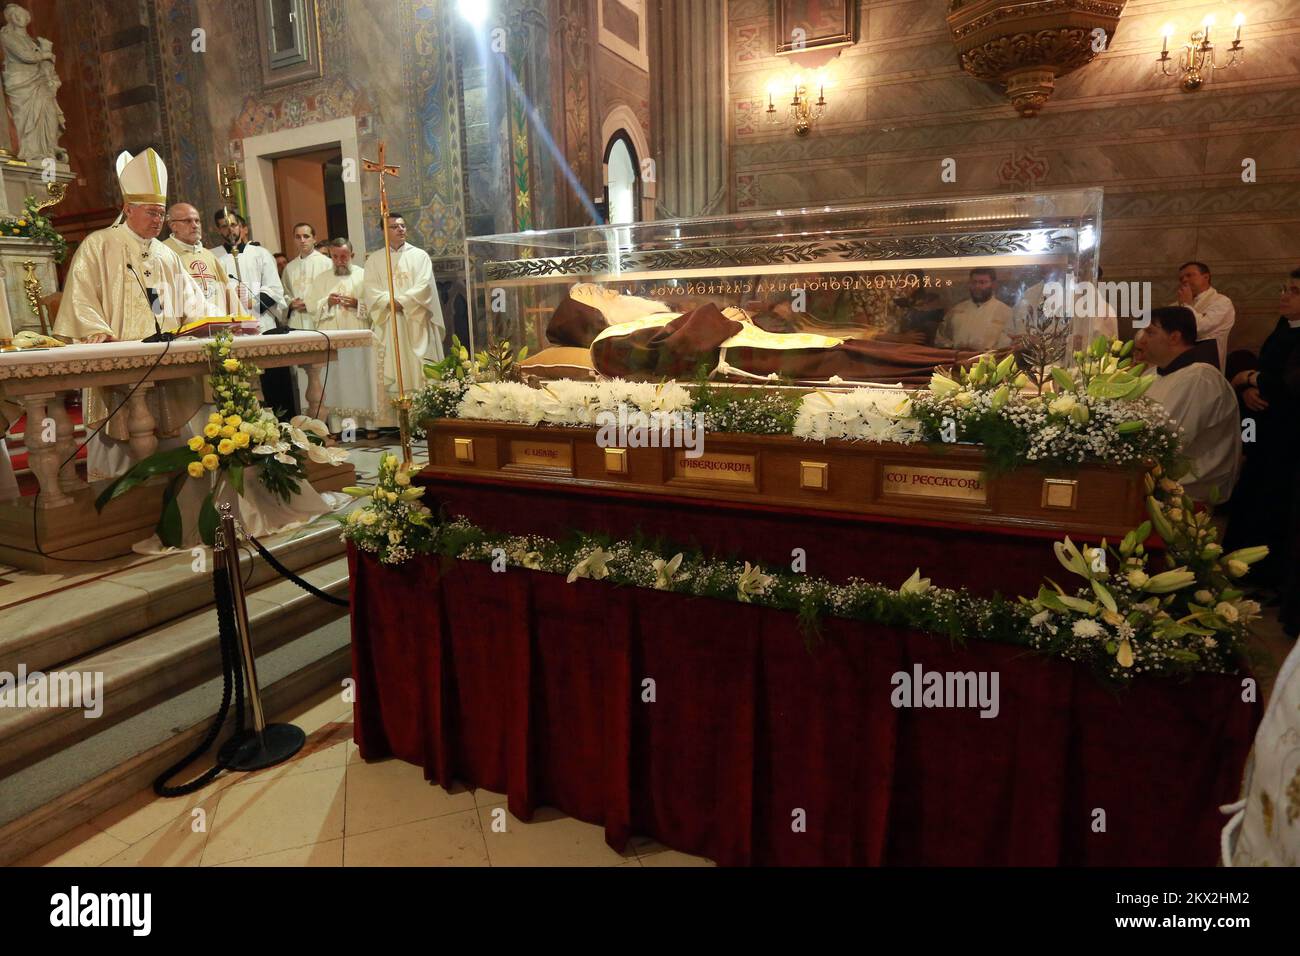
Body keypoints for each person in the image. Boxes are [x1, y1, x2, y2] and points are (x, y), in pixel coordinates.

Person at [53, 148, 206, 479]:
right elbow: (80, 297)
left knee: (173, 455)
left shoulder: (166, 254)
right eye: (151, 213)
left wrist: (203, 324)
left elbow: (191, 302)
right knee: (120, 456)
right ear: (128, 209)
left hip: (165, 361)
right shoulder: (100, 244)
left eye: (161, 214)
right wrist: (95, 329)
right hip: (118, 363)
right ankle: (122, 512)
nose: (157, 221)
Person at [1225, 268, 1300, 601]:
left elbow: (1287, 382)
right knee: (1250, 492)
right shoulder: (1284, 328)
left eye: (1295, 291)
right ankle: (1236, 565)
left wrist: (1250, 378)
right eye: (1285, 289)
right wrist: (1245, 390)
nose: (1285, 296)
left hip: (1288, 436)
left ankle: (1268, 575)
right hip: (1260, 429)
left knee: (1274, 503)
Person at [1139, 306, 1240, 503]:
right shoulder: (1151, 375)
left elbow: (1170, 441)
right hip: (1157, 478)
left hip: (1192, 489)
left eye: (1150, 332)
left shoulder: (1201, 378)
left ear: (1174, 337)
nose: (1142, 340)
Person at [362, 213, 444, 427]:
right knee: (393, 369)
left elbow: (424, 286)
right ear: (383, 232)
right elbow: (370, 289)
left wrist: (403, 302)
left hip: (415, 321)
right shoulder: (374, 259)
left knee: (419, 368)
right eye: (393, 227)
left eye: (402, 225)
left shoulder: (420, 256)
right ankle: (396, 423)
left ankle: (425, 420)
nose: (400, 230)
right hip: (390, 321)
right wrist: (391, 303)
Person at [304, 238, 377, 435]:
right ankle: (343, 431)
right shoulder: (322, 279)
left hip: (358, 337)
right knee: (336, 382)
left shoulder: (364, 276)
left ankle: (368, 426)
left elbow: (376, 306)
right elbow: (311, 307)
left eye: (343, 256)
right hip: (333, 337)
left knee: (361, 379)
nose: (339, 260)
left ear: (352, 255)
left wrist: (357, 304)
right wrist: (326, 302)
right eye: (335, 256)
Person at [163, 202, 230, 317]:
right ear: (173, 226)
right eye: (187, 221)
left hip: (219, 326)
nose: (195, 225)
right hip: (185, 328)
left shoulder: (209, 256)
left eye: (197, 221)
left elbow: (228, 293)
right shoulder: (164, 253)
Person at [935, 268, 1015, 351]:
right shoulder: (956, 310)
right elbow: (941, 338)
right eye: (974, 282)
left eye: (982, 282)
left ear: (993, 284)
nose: (977, 286)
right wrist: (954, 349)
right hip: (956, 359)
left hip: (990, 361)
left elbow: (1007, 345)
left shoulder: (1006, 313)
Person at [1175, 261, 1234, 369]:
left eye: (1189, 275)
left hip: (1205, 364)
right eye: (1181, 278)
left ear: (1206, 277)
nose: (1184, 280)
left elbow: (1200, 329)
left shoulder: (1222, 302)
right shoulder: (1177, 304)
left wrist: (1186, 304)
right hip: (1177, 362)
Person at [281, 222, 331, 331]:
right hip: (296, 321)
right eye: (298, 237)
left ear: (314, 239)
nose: (302, 240)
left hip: (320, 319)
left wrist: (311, 304)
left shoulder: (327, 264)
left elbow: (333, 291)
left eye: (306, 236)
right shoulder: (289, 268)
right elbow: (284, 293)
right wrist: (291, 304)